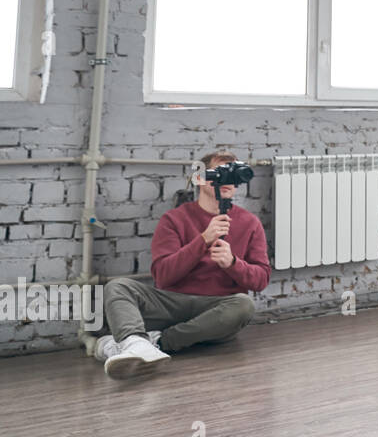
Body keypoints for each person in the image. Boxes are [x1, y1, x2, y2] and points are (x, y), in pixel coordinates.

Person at [92, 150, 270, 379]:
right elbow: (163, 276)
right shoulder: (174, 219)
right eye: (221, 172)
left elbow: (261, 279)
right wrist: (202, 240)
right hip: (171, 304)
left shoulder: (250, 223)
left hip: (216, 311)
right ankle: (135, 343)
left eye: (234, 174)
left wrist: (233, 263)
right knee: (118, 287)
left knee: (244, 305)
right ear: (199, 178)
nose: (229, 181)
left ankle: (154, 343)